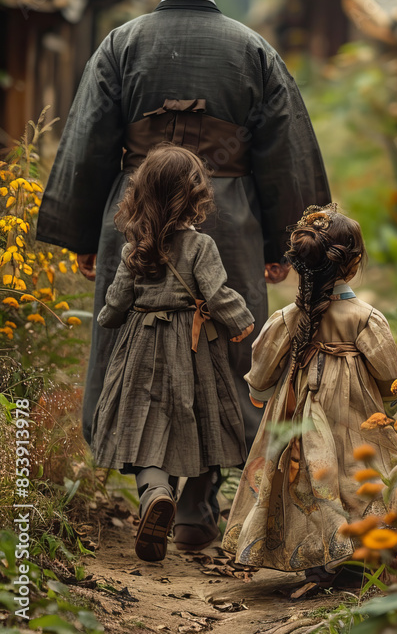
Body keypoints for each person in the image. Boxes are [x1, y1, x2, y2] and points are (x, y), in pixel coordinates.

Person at [36, 0, 330, 532]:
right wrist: (285, 245)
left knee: (132, 351)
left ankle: (153, 487)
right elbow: (285, 153)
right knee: (225, 349)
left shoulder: (121, 44)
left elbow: (88, 142)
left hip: (134, 217)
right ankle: (200, 503)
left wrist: (86, 233)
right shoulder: (255, 50)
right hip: (230, 219)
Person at [222, 204, 397, 583]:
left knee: (305, 480)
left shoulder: (288, 318)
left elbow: (260, 375)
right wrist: (388, 405)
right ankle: (355, 553)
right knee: (357, 477)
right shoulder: (366, 318)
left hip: (293, 418)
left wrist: (265, 391)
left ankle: (317, 556)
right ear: (353, 264)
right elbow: (391, 377)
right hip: (355, 417)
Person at [91, 143, 255, 561]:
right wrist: (241, 321)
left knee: (145, 426)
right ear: (196, 195)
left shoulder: (134, 248)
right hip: (192, 346)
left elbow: (115, 302)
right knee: (197, 419)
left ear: (140, 194)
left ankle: (155, 494)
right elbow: (217, 294)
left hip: (140, 345)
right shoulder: (201, 247)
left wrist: (107, 318)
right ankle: (190, 515)